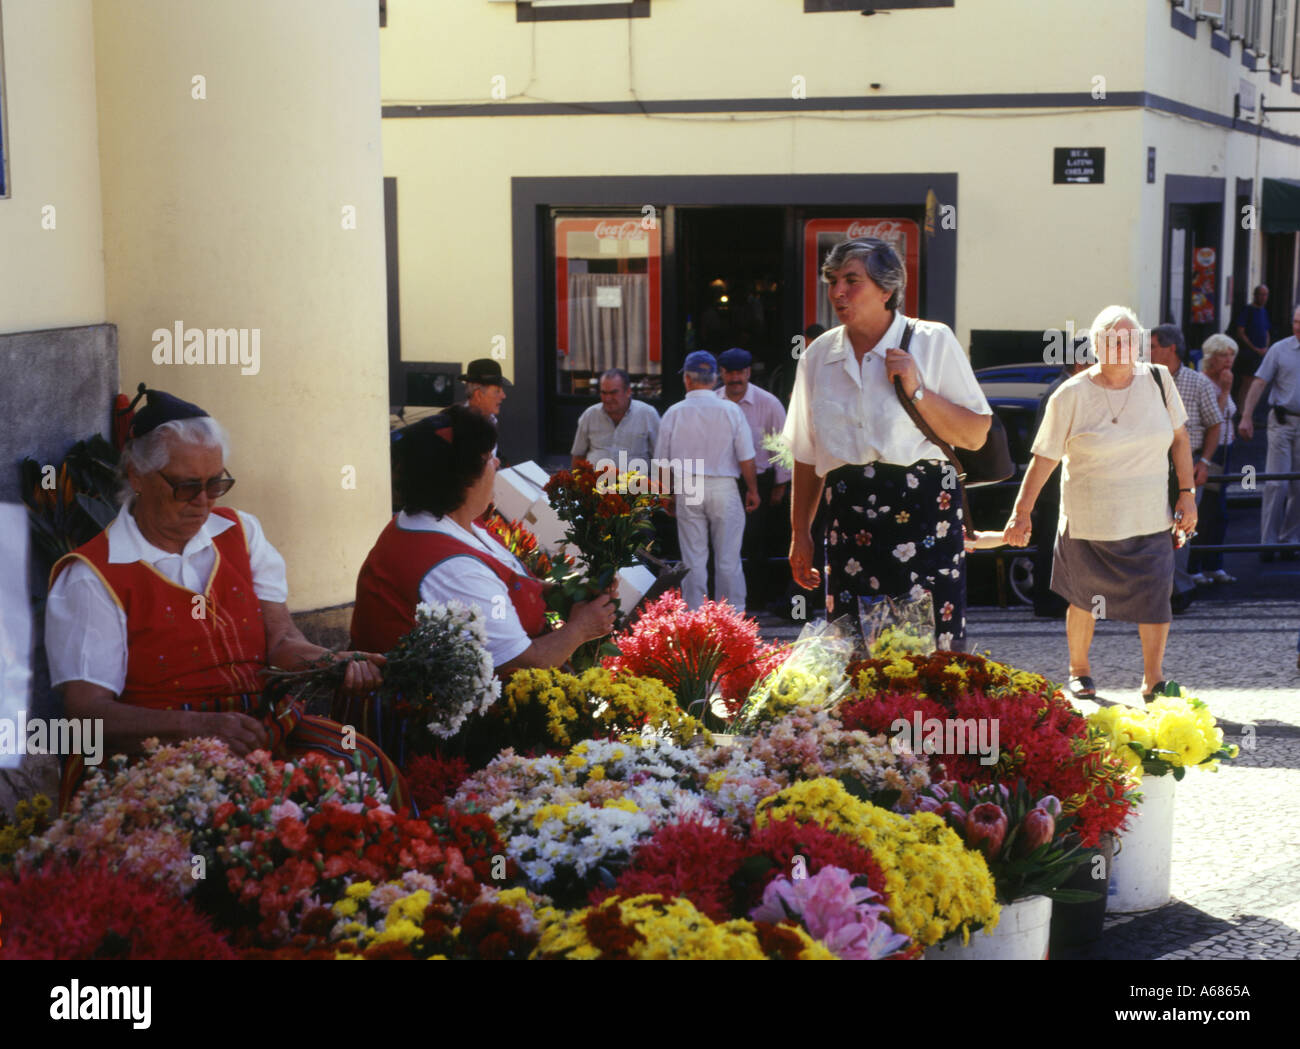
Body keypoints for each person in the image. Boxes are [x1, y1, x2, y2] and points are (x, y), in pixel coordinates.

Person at [44, 389, 406, 811]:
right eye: (186, 486)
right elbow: (88, 714)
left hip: (261, 731)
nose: (204, 501)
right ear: (137, 475)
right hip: (156, 755)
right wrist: (200, 728)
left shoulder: (241, 532)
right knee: (239, 820)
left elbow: (282, 642)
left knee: (365, 769)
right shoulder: (90, 576)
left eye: (217, 483)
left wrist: (335, 663)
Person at [784, 238, 993, 650]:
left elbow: (975, 433)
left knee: (927, 653)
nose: (838, 292)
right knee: (854, 652)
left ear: (886, 289)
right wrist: (799, 534)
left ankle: (924, 718)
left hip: (923, 517)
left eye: (852, 281)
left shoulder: (932, 342)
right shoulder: (818, 356)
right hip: (849, 526)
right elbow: (806, 455)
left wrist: (917, 390)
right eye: (833, 281)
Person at [1004, 307, 1196, 702]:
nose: (1121, 347)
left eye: (1128, 340)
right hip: (1088, 520)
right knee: (1084, 599)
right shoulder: (1070, 394)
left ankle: (1153, 679)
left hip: (1149, 517)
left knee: (1156, 598)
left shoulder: (1159, 381)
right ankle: (1079, 670)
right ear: (1095, 345)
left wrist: (1187, 494)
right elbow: (1044, 459)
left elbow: (1180, 439)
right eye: (1111, 339)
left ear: (1139, 345)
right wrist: (1021, 513)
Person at [350, 406, 615, 676]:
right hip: (423, 714)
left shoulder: (447, 521)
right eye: (489, 457)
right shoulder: (453, 567)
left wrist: (570, 594)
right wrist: (581, 629)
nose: (497, 463)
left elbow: (507, 584)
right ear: (464, 480)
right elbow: (522, 661)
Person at [655, 350, 760, 610]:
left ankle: (694, 617)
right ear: (715, 379)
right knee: (728, 559)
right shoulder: (731, 411)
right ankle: (732, 616)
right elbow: (746, 457)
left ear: (687, 380)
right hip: (723, 485)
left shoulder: (674, 412)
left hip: (688, 484)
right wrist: (753, 489)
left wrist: (665, 495)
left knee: (693, 558)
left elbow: (660, 462)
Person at [1150, 324, 1223, 611]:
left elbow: (1216, 424)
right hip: (1152, 463)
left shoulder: (1198, 382)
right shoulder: (1143, 380)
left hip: (1188, 465)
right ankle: (1158, 593)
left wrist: (1204, 462)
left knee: (1183, 527)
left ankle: (1178, 592)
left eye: (1153, 346)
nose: (1147, 351)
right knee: (1152, 529)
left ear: (1171, 348)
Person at [716, 346, 791, 610]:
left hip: (759, 482)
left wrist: (781, 485)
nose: (735, 378)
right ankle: (725, 603)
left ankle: (756, 601)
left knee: (754, 542)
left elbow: (782, 447)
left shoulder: (768, 403)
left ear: (748, 372)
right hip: (723, 482)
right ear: (722, 373)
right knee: (724, 543)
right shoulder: (714, 402)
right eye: (730, 373)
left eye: (740, 372)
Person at [1238, 304, 1300, 562]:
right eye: (1296, 322)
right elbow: (1260, 382)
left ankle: (1290, 540)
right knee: (1277, 482)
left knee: (1298, 486)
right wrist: (1246, 416)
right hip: (1282, 423)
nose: (1298, 327)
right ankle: (1268, 542)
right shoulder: (1280, 349)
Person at [1189, 335, 1239, 584]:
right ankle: (1195, 565)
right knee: (1206, 509)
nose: (1229, 360)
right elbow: (1214, 419)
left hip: (1226, 448)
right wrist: (1226, 391)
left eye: (1232, 355)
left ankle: (1213, 564)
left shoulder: (1223, 378)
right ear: (1211, 357)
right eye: (1224, 354)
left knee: (1219, 511)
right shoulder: (1204, 382)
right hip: (1209, 451)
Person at [570, 368, 660, 474]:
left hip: (635, 487)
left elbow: (660, 458)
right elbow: (578, 455)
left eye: (613, 393)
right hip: (596, 485)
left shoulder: (647, 414)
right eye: (604, 393)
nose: (608, 398)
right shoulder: (590, 415)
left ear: (628, 392)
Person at [1232, 284, 1271, 409]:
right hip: (1248, 353)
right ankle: (1241, 409)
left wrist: (1266, 347)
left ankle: (1249, 409)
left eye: (1266, 295)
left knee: (1256, 381)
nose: (1264, 297)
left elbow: (1266, 331)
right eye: (1262, 294)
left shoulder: (1264, 311)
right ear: (1255, 295)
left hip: (1260, 353)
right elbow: (1240, 331)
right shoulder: (1248, 310)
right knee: (1246, 382)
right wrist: (1254, 348)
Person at [458, 358, 510, 424]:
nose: (504, 396)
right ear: (478, 395)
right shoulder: (454, 423)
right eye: (497, 391)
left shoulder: (492, 421)